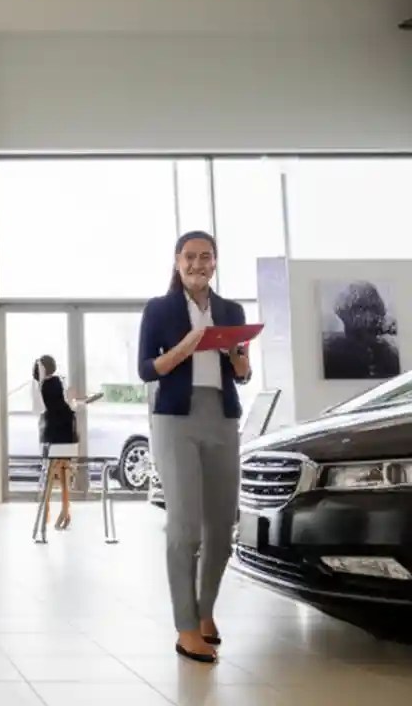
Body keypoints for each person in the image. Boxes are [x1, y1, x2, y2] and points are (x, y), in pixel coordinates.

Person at [138, 230, 251, 664]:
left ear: (215, 262)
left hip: (222, 416)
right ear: (177, 261)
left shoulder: (230, 310)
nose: (197, 264)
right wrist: (190, 344)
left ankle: (206, 613)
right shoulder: (160, 309)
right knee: (186, 528)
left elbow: (241, 372)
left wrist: (239, 362)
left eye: (206, 257)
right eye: (190, 257)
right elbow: (147, 369)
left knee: (222, 528)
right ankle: (186, 628)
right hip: (175, 420)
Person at [34, 355, 77, 530]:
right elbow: (66, 403)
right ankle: (63, 511)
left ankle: (52, 511)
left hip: (55, 432)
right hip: (64, 429)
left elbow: (40, 409)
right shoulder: (57, 382)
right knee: (62, 470)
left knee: (55, 470)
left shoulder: (44, 385)